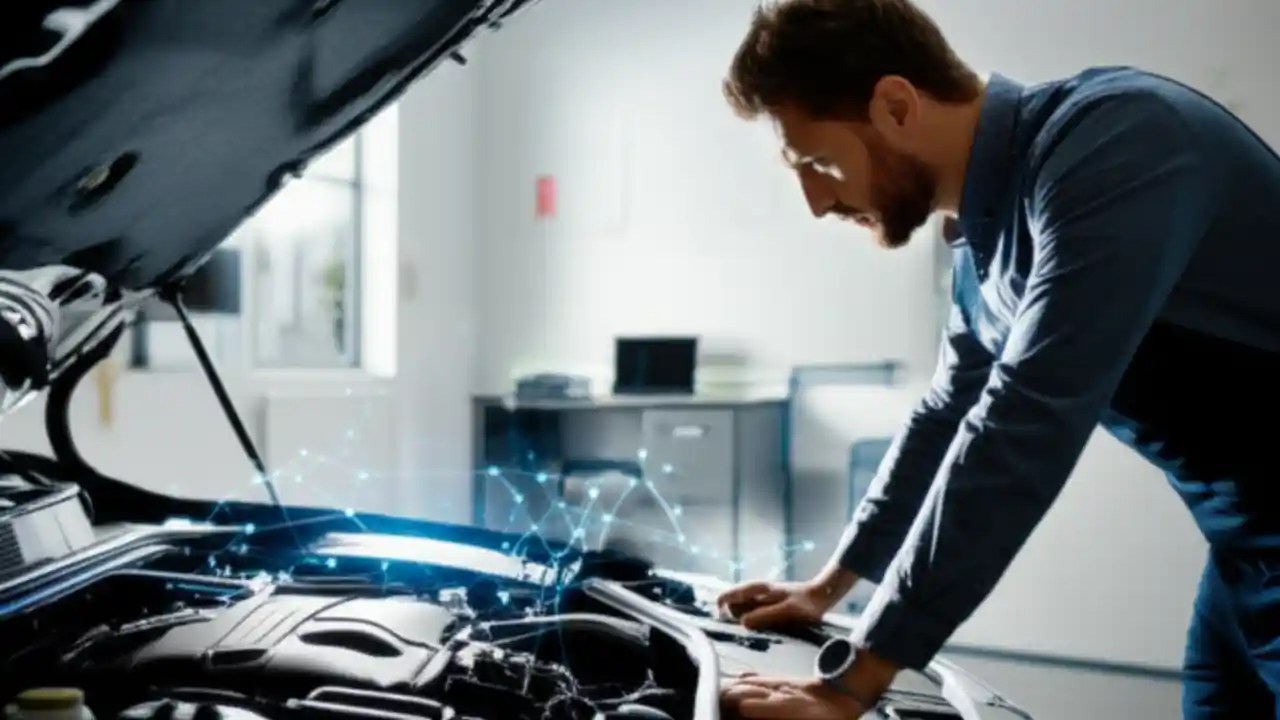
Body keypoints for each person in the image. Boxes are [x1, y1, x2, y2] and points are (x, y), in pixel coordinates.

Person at [714, 1, 1280, 718]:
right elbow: (946, 415)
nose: (817, 202)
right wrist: (828, 586)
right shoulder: (982, 249)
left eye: (820, 162)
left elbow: (1022, 422)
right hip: (1242, 553)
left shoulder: (1120, 139)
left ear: (895, 105)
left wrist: (853, 680)